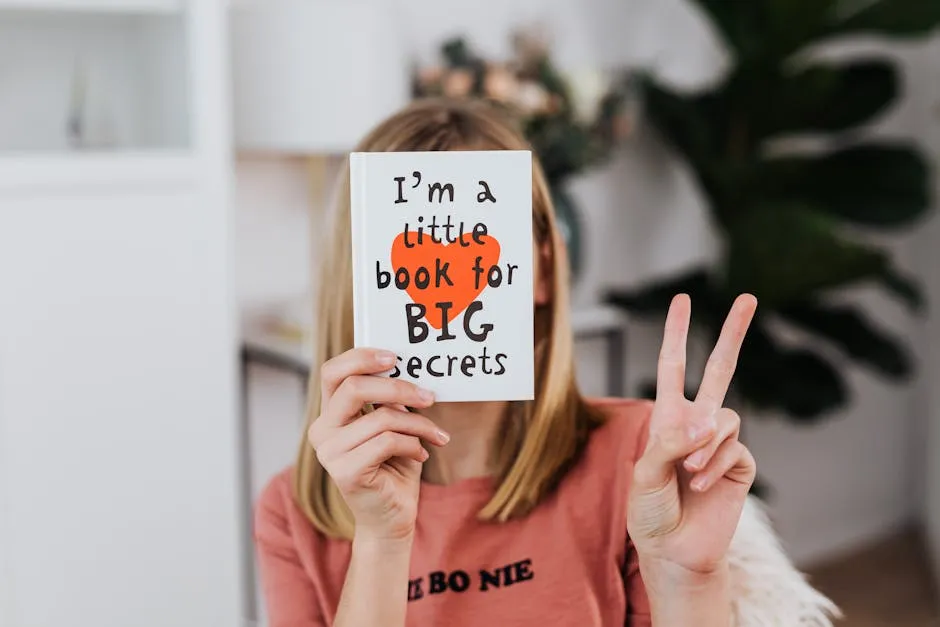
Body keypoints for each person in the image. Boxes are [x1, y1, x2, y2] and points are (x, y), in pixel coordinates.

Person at [254, 98, 760, 627]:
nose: (444, 267)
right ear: (360, 282)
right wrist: (381, 542)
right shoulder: (292, 512)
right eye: (416, 246)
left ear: (541, 270)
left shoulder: (642, 459)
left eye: (474, 239)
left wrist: (689, 578)